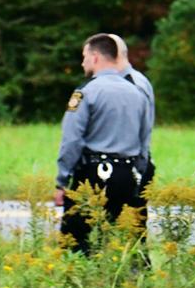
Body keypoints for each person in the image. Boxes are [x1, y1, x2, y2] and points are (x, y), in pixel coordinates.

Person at [54, 33, 150, 254]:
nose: (82, 62)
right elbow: (144, 140)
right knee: (122, 242)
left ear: (95, 58)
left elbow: (71, 140)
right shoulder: (137, 92)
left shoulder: (85, 93)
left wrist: (62, 180)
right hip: (128, 175)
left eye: (84, 56)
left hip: (92, 177)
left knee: (76, 243)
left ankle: (82, 286)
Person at [109, 34, 156, 234]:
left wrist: (138, 168)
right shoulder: (131, 81)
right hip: (131, 164)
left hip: (132, 165)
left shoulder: (132, 83)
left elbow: (138, 130)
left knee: (132, 233)